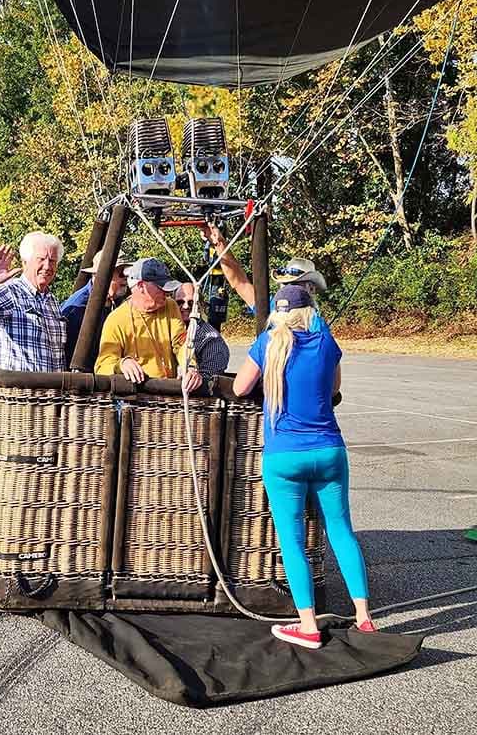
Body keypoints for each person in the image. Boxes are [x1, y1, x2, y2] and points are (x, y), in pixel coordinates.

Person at [232, 284, 375, 649]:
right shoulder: (326, 343)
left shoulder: (268, 344)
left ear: (277, 314)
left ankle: (308, 624)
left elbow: (240, 388)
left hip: (283, 456)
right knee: (341, 532)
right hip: (329, 450)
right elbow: (334, 388)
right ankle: (364, 617)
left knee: (292, 541)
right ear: (309, 311)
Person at [0, 232, 66, 372]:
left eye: (52, 261)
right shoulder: (11, 292)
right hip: (20, 391)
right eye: (41, 259)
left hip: (51, 392)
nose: (47, 266)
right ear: (25, 262)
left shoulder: (51, 300)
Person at [95, 258, 202, 392]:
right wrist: (122, 364)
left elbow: (181, 344)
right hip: (138, 400)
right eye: (160, 286)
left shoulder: (171, 306)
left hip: (169, 393)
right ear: (141, 286)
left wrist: (190, 367)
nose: (166, 292)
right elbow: (102, 366)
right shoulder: (116, 320)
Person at [203, 223, 328, 329]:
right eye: (285, 283)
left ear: (311, 289)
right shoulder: (272, 306)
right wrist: (218, 243)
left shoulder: (316, 326)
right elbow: (240, 282)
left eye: (296, 284)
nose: (289, 289)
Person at [61, 249, 131, 366]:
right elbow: (68, 353)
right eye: (122, 272)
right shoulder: (78, 307)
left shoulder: (117, 301)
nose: (126, 278)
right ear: (103, 275)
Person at [173, 282, 230, 378]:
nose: (185, 306)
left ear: (201, 305)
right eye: (180, 302)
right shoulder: (166, 328)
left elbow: (209, 381)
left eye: (191, 302)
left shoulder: (212, 340)